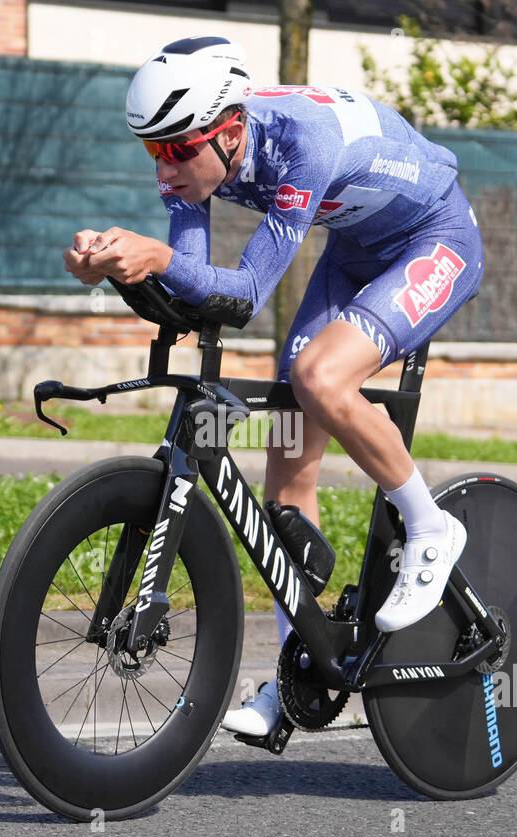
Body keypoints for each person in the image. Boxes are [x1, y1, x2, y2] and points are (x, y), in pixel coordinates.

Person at [63, 36, 484, 737]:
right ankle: (303, 668)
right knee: (288, 458)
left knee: (320, 376)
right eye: (151, 151)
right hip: (356, 251)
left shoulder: (303, 146)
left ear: (230, 131)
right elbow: (197, 286)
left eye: (176, 150)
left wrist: (158, 255)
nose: (164, 170)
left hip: (435, 237)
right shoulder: (198, 158)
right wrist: (113, 264)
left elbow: (247, 292)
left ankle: (432, 526)